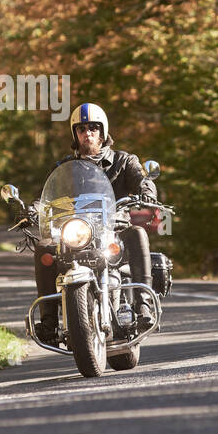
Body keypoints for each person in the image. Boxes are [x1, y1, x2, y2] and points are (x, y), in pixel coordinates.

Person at [32, 102, 156, 344]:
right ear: (75, 134)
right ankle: (48, 322)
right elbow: (45, 198)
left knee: (137, 232)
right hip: (76, 233)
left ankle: (143, 305)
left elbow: (142, 180)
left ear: (103, 132)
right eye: (81, 129)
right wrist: (32, 209)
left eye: (93, 128)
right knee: (44, 246)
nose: (87, 133)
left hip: (113, 229)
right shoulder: (64, 168)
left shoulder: (123, 161)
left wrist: (146, 190)